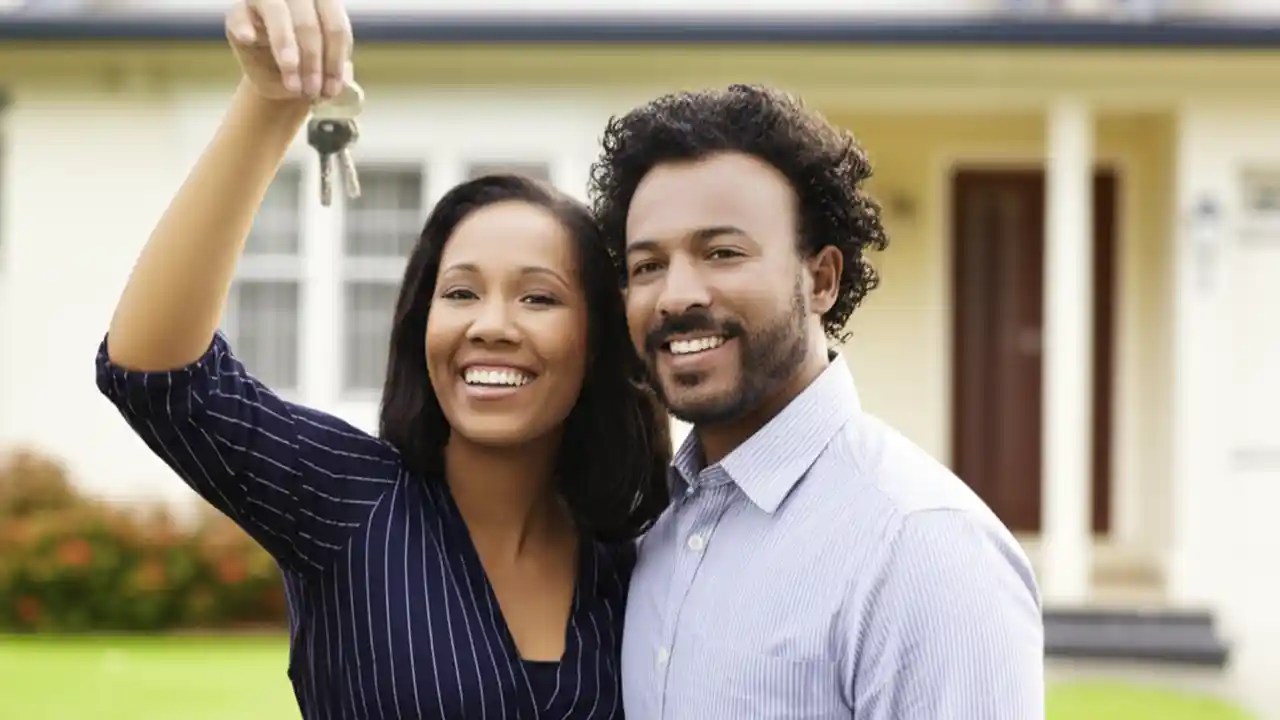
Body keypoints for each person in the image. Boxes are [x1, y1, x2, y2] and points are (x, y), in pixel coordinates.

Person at [94, 1, 669, 717]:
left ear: (596, 342)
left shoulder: (634, 559)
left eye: (538, 299)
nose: (490, 325)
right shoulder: (347, 501)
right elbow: (158, 378)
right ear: (419, 325)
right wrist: (271, 102)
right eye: (460, 292)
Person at [589, 84, 1044, 718]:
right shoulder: (654, 529)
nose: (676, 295)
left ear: (821, 279)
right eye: (647, 266)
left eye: (722, 252)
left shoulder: (923, 549)